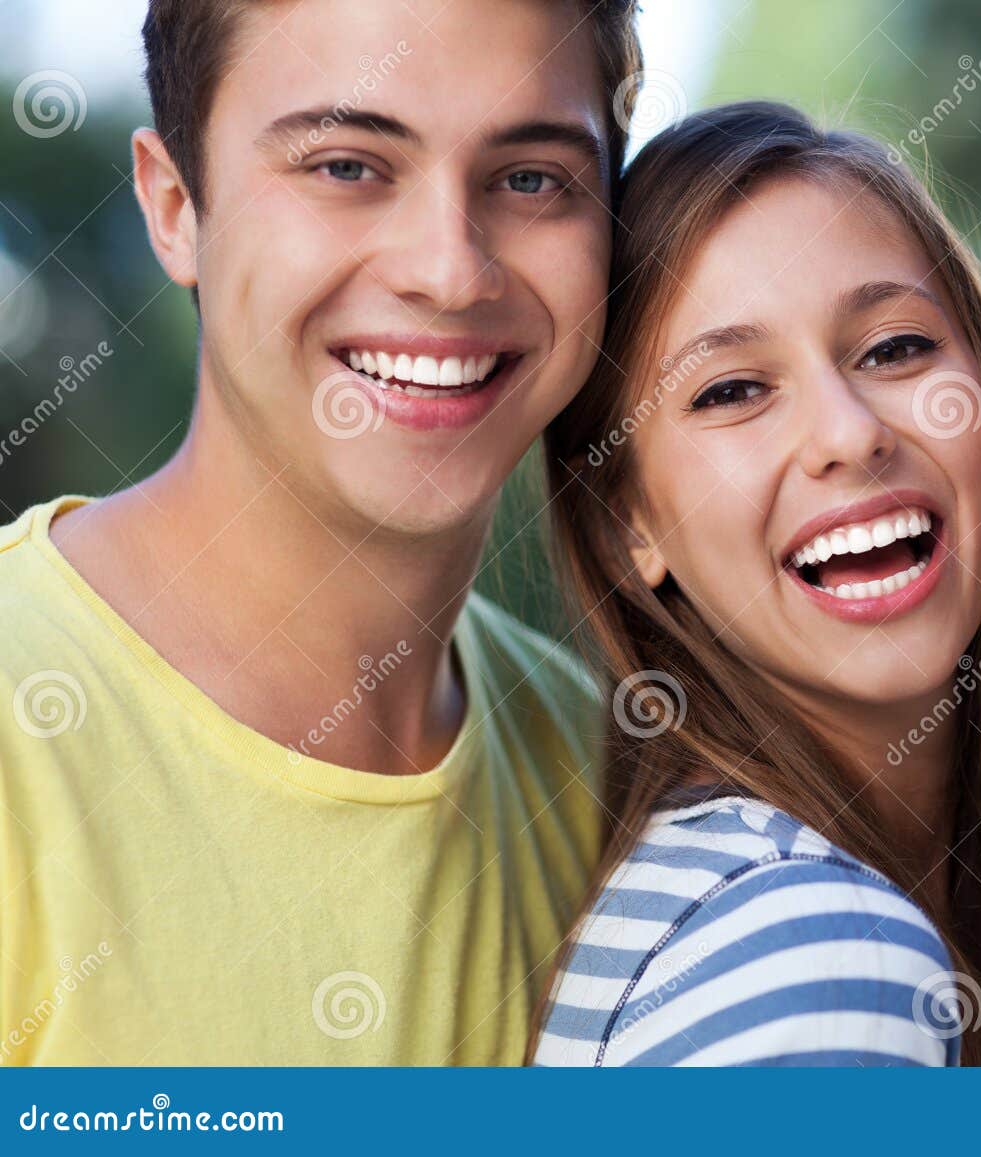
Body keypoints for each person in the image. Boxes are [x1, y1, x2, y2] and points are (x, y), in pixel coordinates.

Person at [0, 0, 639, 1064]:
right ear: (175, 207)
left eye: (532, 179)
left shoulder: (612, 782)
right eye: (347, 167)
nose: (450, 270)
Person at [532, 102, 981, 1067]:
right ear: (629, 528)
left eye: (894, 348)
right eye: (733, 390)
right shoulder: (810, 960)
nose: (849, 432)